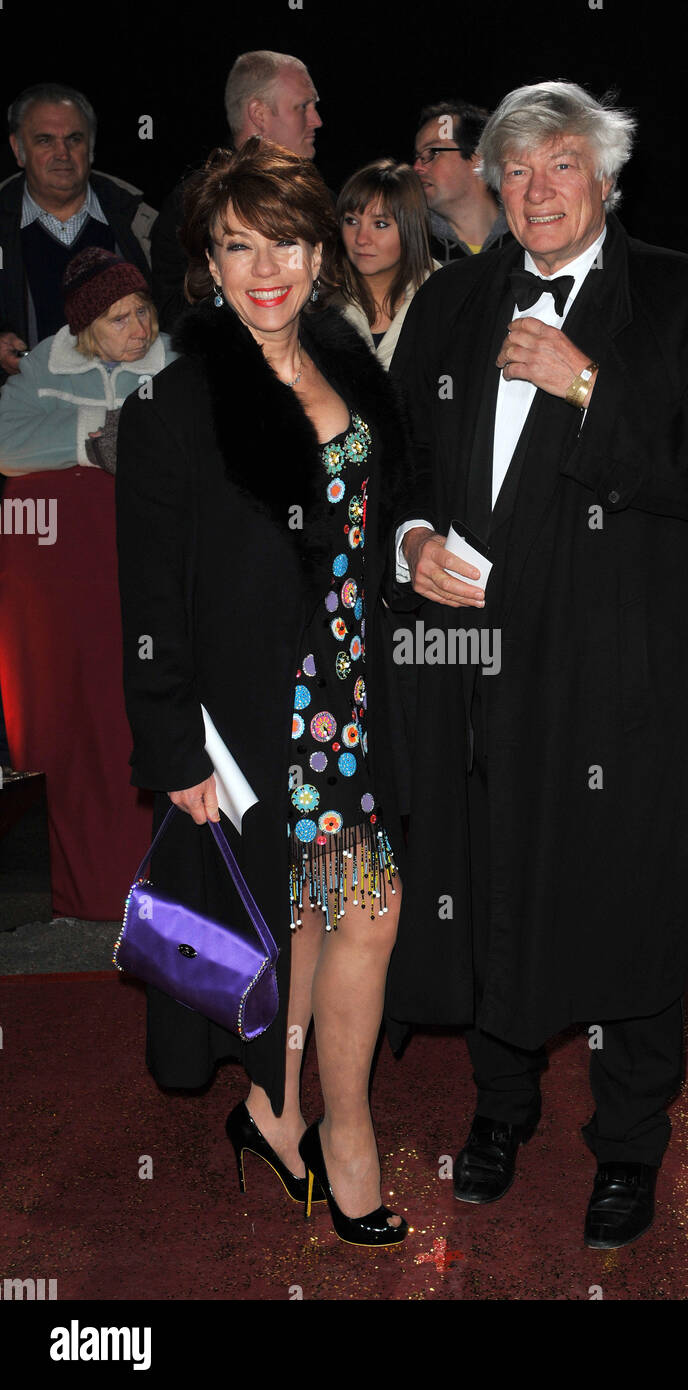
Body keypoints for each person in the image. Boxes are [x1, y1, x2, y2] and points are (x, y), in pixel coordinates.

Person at [387, 81, 688, 1249]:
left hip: (618, 672)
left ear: (606, 179)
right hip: (471, 665)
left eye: (561, 165)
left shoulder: (686, 297)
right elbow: (395, 459)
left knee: (623, 892)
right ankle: (500, 1112)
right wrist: (407, 540)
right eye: (515, 169)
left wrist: (589, 383)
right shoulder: (451, 301)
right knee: (492, 875)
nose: (536, 188)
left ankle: (628, 1142)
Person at [116, 139, 412, 1246]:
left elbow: (385, 519)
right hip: (250, 718)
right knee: (301, 922)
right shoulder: (175, 401)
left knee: (361, 918)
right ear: (206, 263)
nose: (264, 267)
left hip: (355, 690)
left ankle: (298, 1118)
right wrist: (172, 746)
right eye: (236, 246)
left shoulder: (353, 367)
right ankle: (316, 1129)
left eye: (284, 240)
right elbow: (143, 596)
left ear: (323, 251)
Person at [0, 248, 173, 919]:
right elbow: (6, 440)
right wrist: (93, 437)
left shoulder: (176, 362)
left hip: (149, 582)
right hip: (73, 594)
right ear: (81, 329)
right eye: (117, 318)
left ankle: (172, 890)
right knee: (86, 739)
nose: (138, 329)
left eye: (143, 311)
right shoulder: (42, 369)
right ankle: (92, 897)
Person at [150, 52, 322, 332]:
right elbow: (171, 315)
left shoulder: (322, 200)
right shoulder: (193, 205)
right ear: (259, 114)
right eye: (302, 107)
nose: (316, 120)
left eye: (284, 241)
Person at [1, 83, 155, 346]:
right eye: (45, 140)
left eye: (74, 139)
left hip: (129, 387)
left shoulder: (141, 224)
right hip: (26, 386)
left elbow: (178, 315)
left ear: (91, 148)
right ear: (18, 149)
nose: (62, 153)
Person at [335, 159, 437, 368]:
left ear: (411, 227)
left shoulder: (446, 298)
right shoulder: (317, 296)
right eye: (351, 221)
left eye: (380, 224)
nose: (361, 238)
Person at [412, 101, 510, 262]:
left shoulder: (529, 239)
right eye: (417, 156)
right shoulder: (408, 249)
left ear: (478, 157)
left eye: (434, 152)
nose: (417, 167)